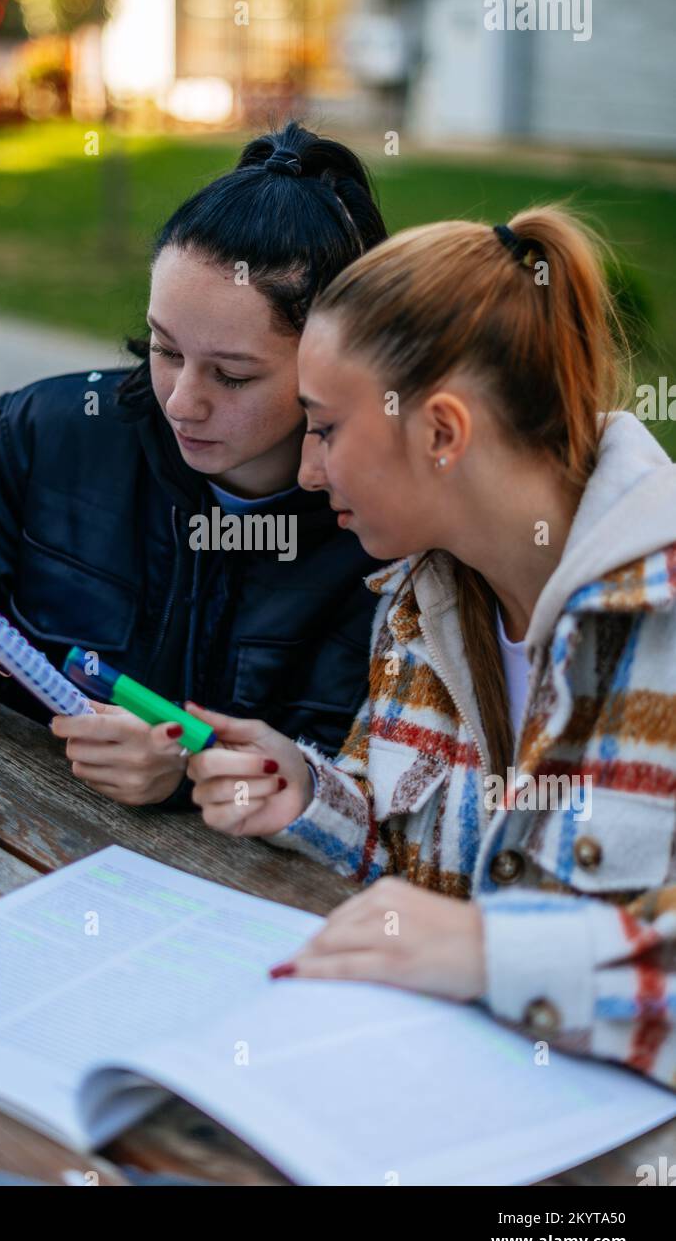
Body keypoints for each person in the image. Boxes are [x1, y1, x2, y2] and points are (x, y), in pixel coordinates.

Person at [186, 207, 676, 1088]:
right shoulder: (413, 606)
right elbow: (421, 869)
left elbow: (464, 939)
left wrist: (491, 955)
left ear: (443, 433)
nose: (305, 470)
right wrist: (309, 794)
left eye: (326, 428)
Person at [0, 121, 386, 809]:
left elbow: (352, 790)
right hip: (7, 831)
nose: (181, 402)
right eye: (164, 348)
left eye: (231, 376)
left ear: (329, 368)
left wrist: (188, 777)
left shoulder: (376, 531)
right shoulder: (47, 432)